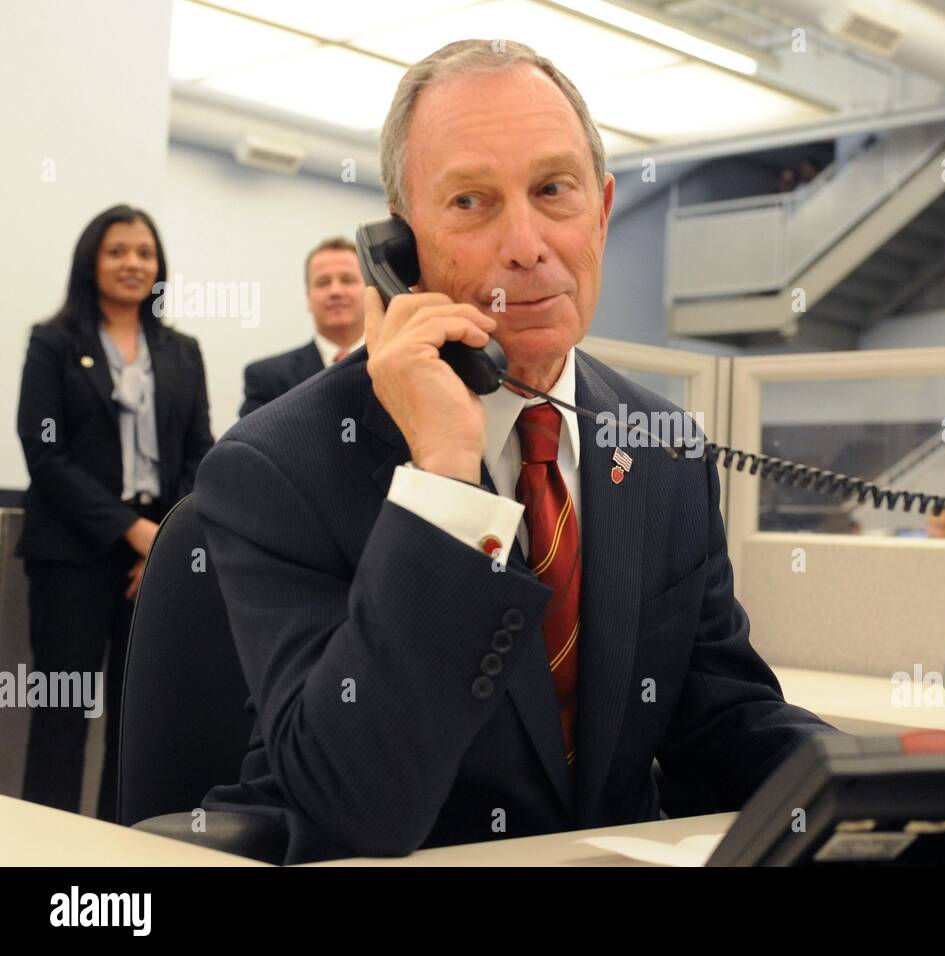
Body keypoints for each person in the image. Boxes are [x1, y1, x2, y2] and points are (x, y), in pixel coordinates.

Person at [195, 39, 841, 864]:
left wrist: (881, 790)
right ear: (401, 243)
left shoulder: (662, 447)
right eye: (470, 201)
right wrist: (444, 479)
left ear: (602, 210)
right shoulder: (280, 467)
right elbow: (355, 808)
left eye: (553, 190)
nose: (528, 244)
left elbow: (719, 718)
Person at [16, 204, 214, 821]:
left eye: (144, 252)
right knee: (62, 714)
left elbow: (200, 452)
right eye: (117, 251)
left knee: (139, 720)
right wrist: (136, 534)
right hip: (73, 555)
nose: (133, 263)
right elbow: (45, 454)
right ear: (90, 261)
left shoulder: (182, 350)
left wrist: (166, 543)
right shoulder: (54, 342)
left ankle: (121, 847)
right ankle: (45, 850)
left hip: (156, 554)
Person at [238, 237, 366, 418]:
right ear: (308, 298)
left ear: (370, 291)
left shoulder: (400, 366)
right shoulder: (267, 379)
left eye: (347, 280)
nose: (335, 291)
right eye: (323, 282)